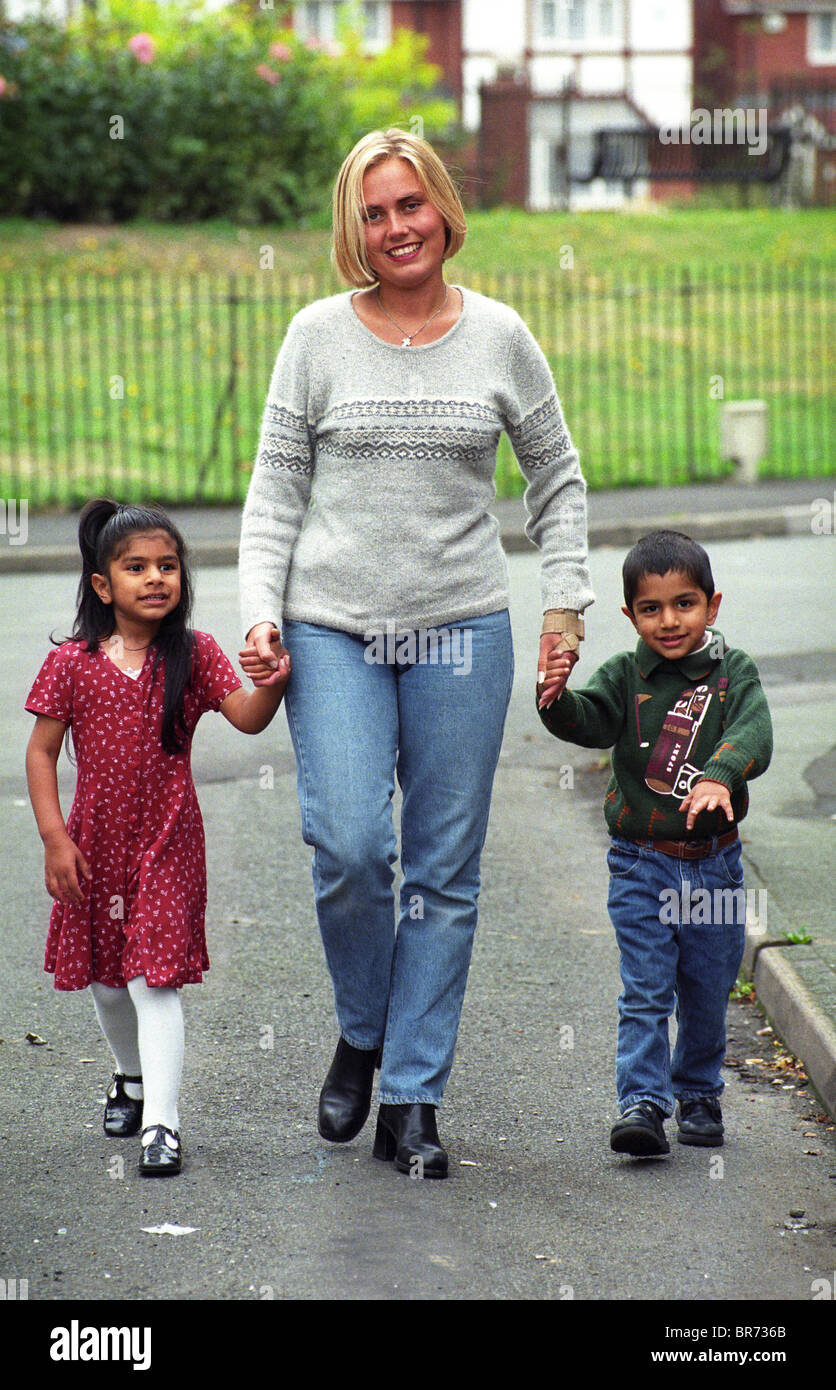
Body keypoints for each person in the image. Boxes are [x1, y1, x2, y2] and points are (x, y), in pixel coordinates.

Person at [239, 127, 593, 1179]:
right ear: (355, 230)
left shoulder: (497, 337)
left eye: (410, 205)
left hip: (460, 629)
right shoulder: (313, 336)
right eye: (374, 213)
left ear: (441, 208)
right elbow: (272, 496)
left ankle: (411, 1095)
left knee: (441, 872)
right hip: (334, 626)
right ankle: (363, 1023)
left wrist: (564, 602)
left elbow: (555, 478)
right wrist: (260, 608)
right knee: (349, 846)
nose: (396, 228)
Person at [25, 499, 289, 1176]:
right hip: (94, 848)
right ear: (103, 585)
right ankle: (128, 1074)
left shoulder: (195, 655)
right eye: (136, 567)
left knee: (153, 982)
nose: (155, 579)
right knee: (108, 985)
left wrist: (274, 684)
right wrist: (56, 839)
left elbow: (249, 720)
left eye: (167, 566)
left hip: (169, 845)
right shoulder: (73, 664)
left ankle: (160, 1126)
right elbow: (40, 754)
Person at [538, 530, 773, 1156]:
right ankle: (641, 1102)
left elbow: (756, 735)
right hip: (640, 863)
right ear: (630, 615)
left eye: (685, 603)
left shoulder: (732, 674)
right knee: (646, 987)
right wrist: (557, 703)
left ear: (712, 605)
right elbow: (591, 722)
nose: (670, 621)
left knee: (706, 984)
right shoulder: (624, 675)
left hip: (714, 863)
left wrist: (720, 775)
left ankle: (697, 1094)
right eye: (651, 608)